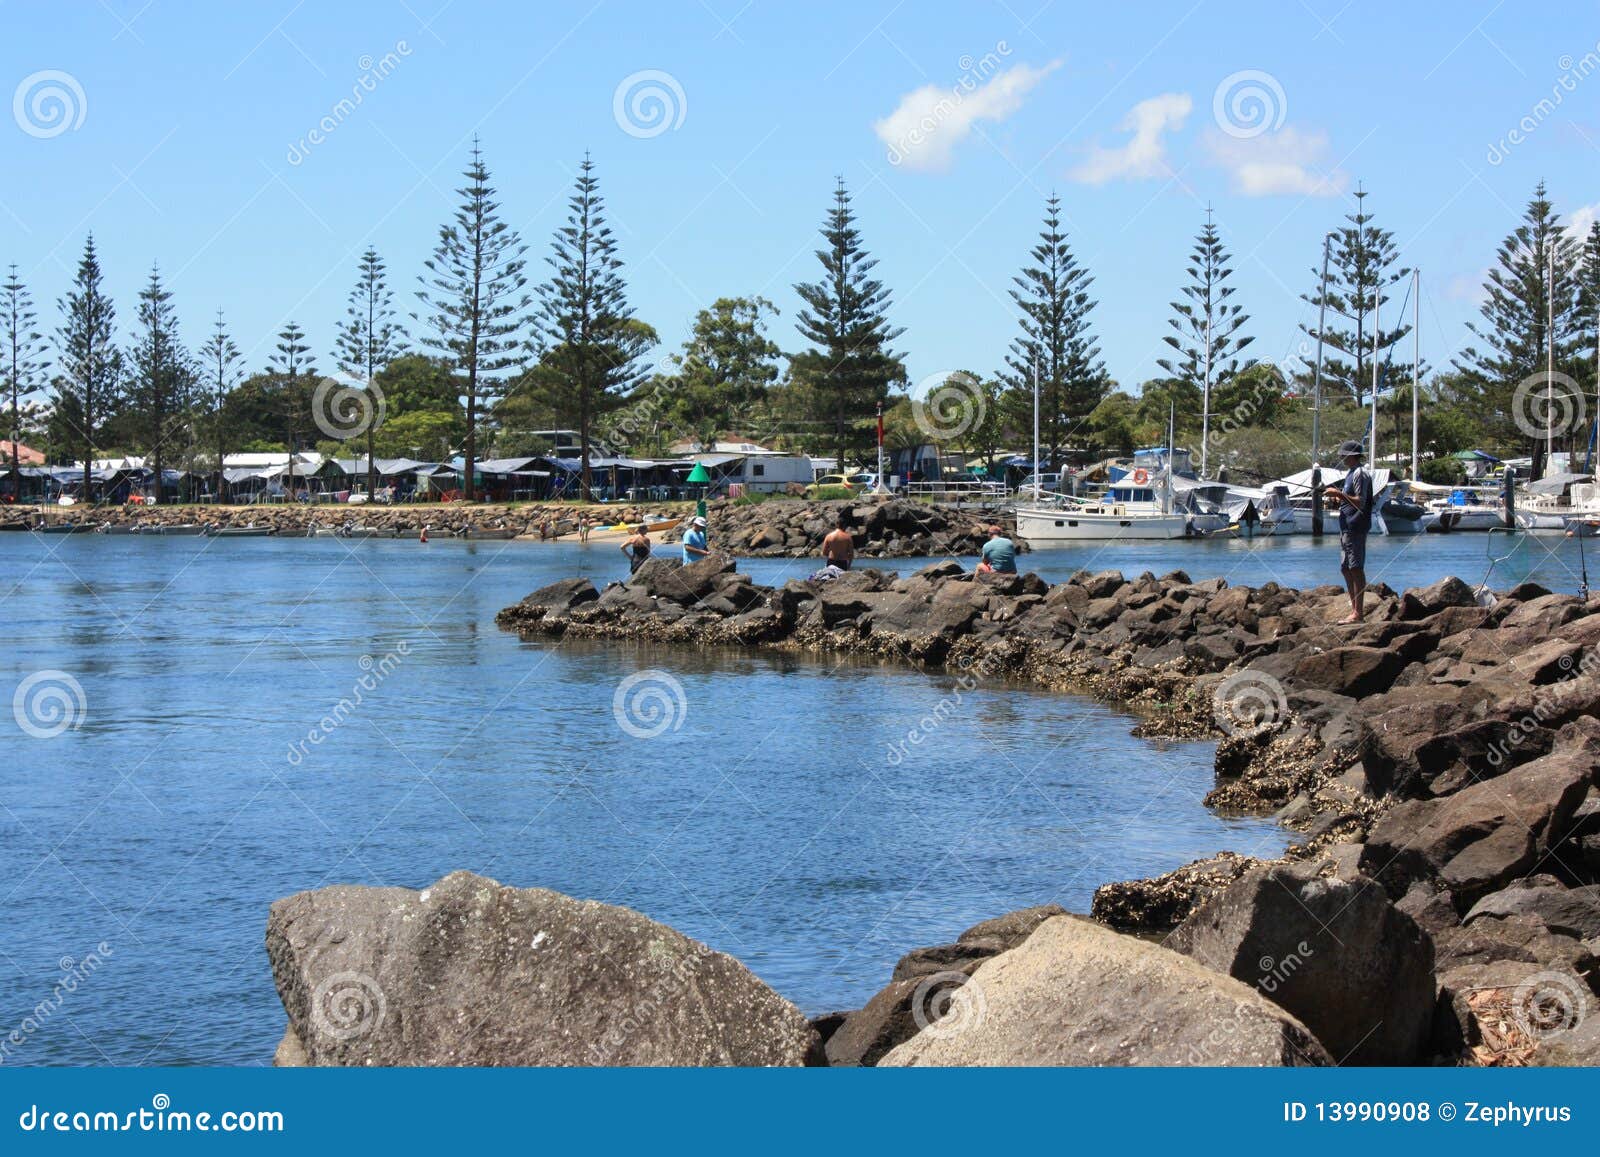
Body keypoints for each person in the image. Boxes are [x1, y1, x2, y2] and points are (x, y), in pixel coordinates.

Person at [1324, 439, 1374, 623]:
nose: (1342, 458)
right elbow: (1350, 500)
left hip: (1356, 525)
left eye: (1344, 455)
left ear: (1352, 456)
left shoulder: (1360, 474)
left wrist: (1338, 494)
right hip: (1346, 525)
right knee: (1346, 568)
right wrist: (1339, 499)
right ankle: (1354, 610)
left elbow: (1360, 501)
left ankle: (1358, 613)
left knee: (1355, 567)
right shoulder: (1350, 474)